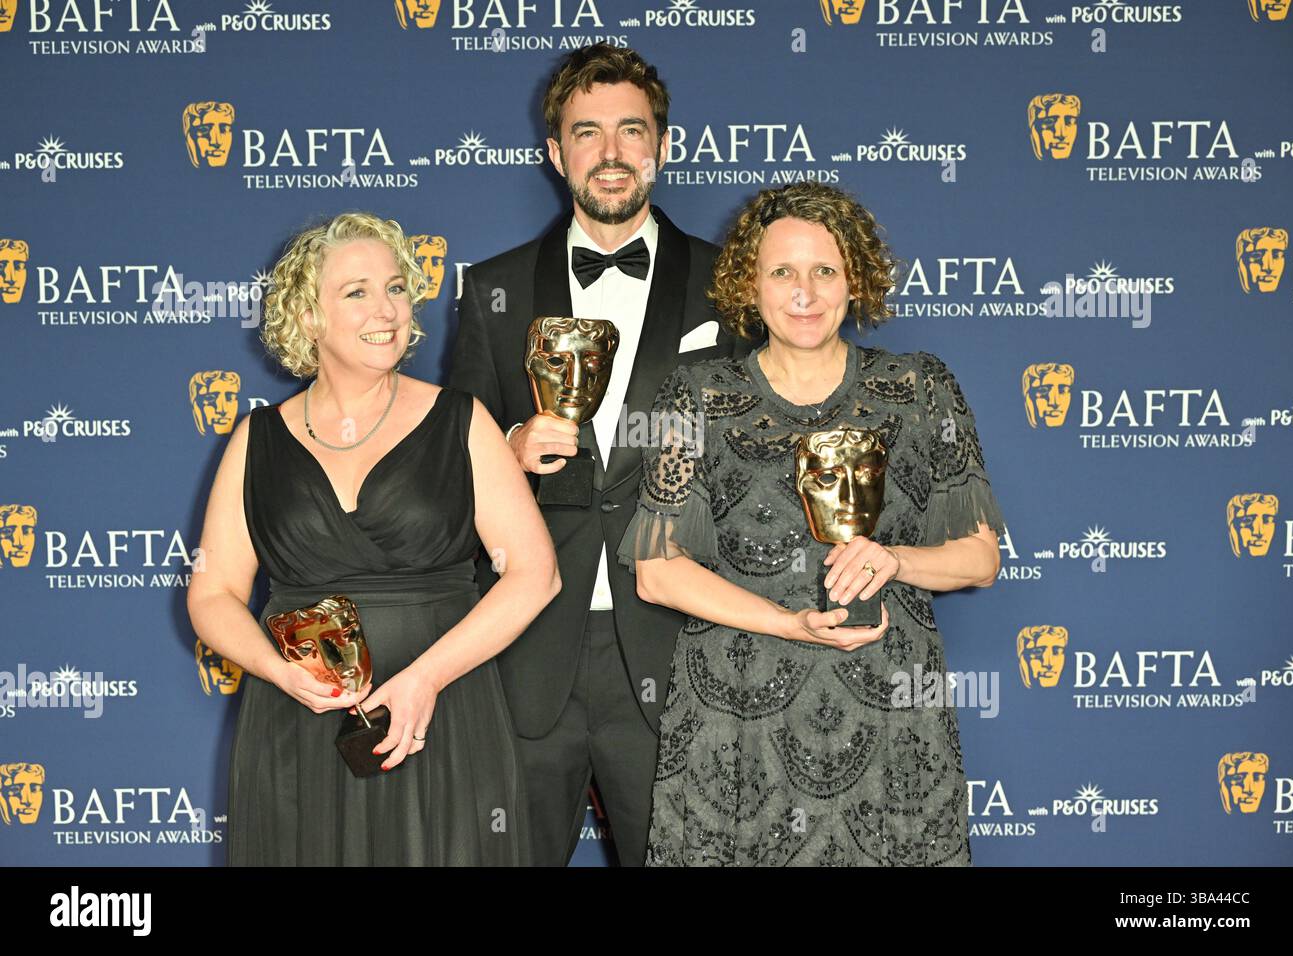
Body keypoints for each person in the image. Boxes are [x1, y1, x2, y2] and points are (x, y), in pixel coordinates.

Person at [618, 181, 1006, 866]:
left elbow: (980, 557)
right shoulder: (697, 395)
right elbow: (657, 571)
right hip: (738, 717)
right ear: (749, 283)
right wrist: (789, 624)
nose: (805, 291)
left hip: (888, 711)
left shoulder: (920, 388)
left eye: (825, 270)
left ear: (854, 279)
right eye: (782, 272)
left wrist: (897, 561)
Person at [448, 43, 751, 867]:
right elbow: (449, 469)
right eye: (587, 132)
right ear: (556, 153)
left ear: (662, 145)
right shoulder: (494, 290)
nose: (611, 153)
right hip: (526, 646)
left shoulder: (733, 286)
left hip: (683, 639)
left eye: (631, 130)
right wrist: (507, 448)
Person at [187, 211, 559, 865]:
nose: (386, 308)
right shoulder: (258, 441)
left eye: (394, 287)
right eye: (356, 292)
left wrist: (425, 680)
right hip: (299, 729)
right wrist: (279, 672)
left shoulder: (460, 422)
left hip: (441, 718)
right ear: (307, 318)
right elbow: (214, 592)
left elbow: (534, 573)